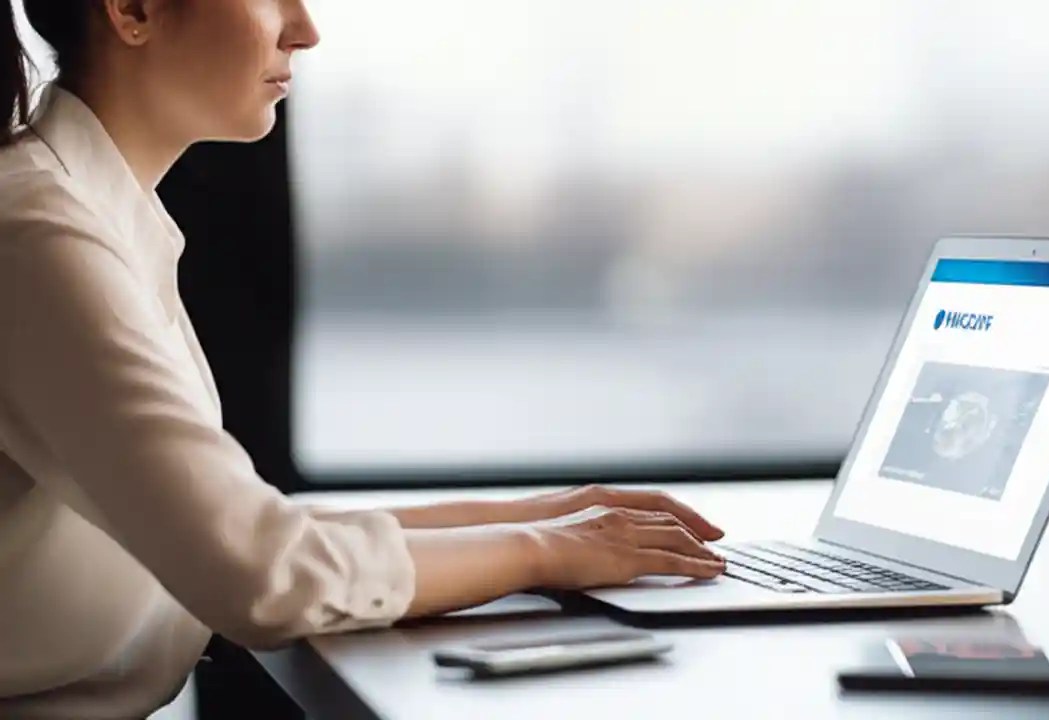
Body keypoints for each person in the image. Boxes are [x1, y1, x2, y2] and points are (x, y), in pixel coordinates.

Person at [0, 1, 726, 716]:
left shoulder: (89, 216)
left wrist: (539, 517)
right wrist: (543, 551)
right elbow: (261, 568)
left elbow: (235, 525)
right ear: (132, 10)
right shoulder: (37, 233)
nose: (306, 30)